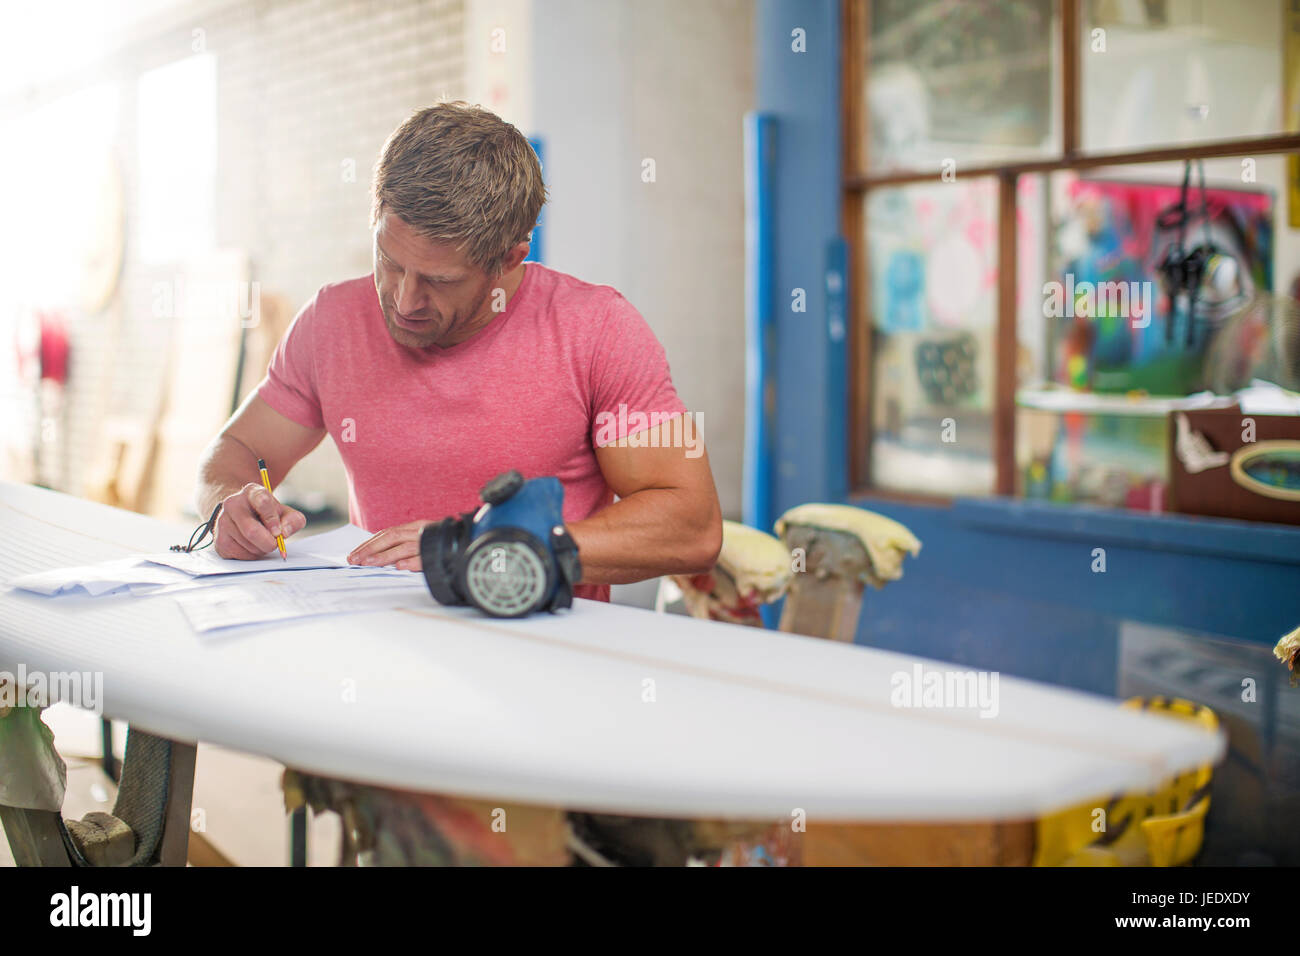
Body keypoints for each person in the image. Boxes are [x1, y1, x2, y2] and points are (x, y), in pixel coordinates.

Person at [195, 102, 721, 601]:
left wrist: (491, 547)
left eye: (439, 281)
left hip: (542, 651)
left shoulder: (598, 329)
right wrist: (231, 505)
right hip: (382, 637)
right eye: (390, 261)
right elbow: (238, 449)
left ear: (512, 257)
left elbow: (691, 526)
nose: (403, 300)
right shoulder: (331, 320)